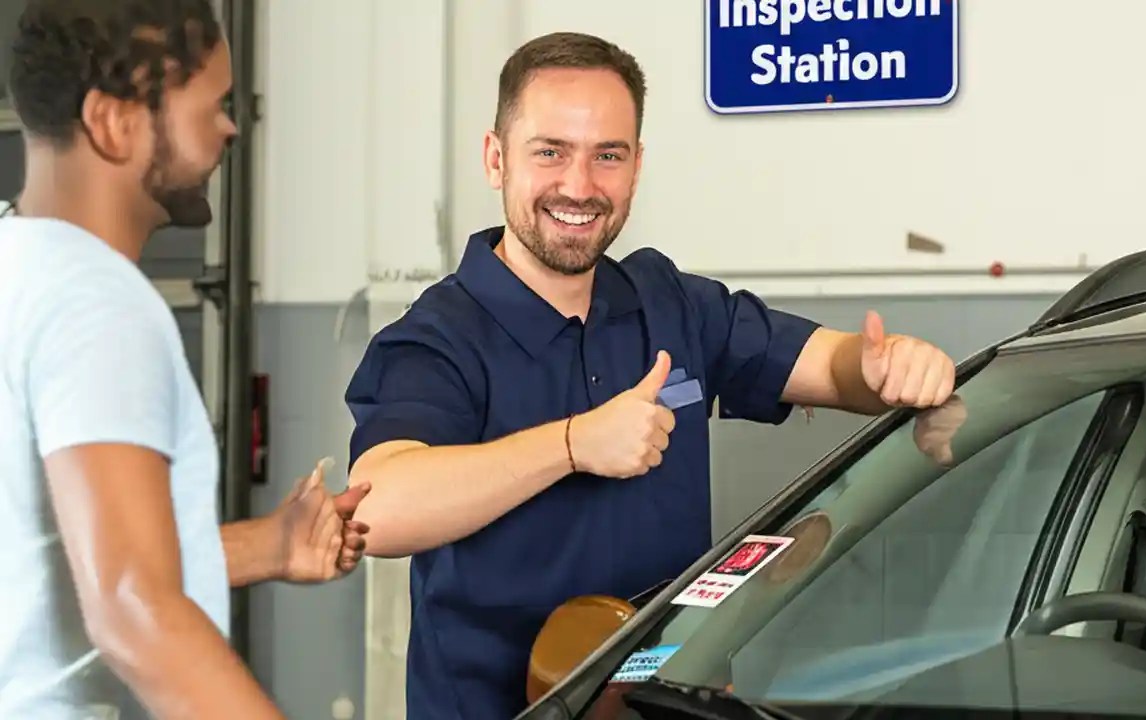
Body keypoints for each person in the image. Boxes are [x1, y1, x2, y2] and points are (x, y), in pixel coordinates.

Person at [343, 31, 961, 720]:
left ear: (635, 166)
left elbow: (837, 368)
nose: (578, 187)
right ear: (496, 158)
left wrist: (892, 369)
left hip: (666, 707)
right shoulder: (437, 338)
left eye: (606, 156)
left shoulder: (670, 303)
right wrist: (574, 444)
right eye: (550, 152)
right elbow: (375, 509)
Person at [0, 1, 370, 718]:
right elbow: (134, 608)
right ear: (115, 123)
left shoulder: (18, 264)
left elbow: (50, 559)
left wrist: (266, 546)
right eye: (212, 106)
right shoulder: (98, 302)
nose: (231, 127)